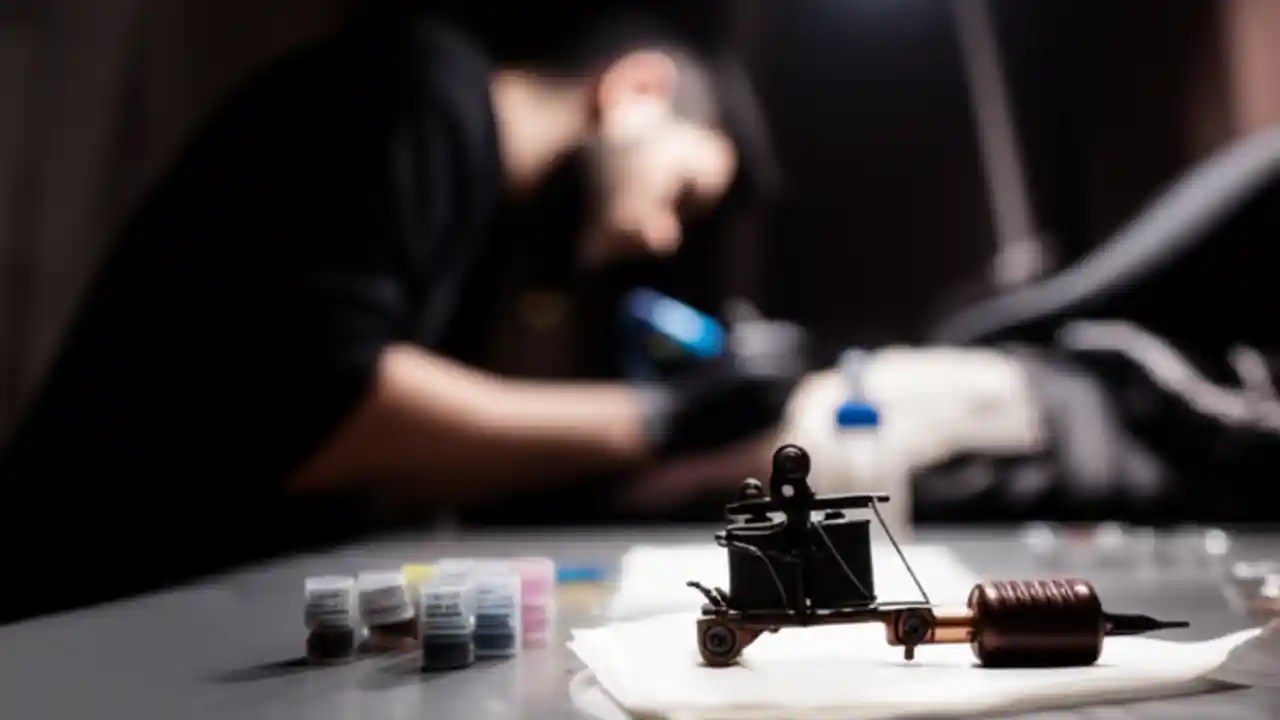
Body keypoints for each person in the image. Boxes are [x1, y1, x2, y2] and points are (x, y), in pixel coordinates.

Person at [0, 7, 790, 622]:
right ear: (636, 90)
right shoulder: (420, 92)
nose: (661, 236)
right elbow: (326, 409)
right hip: (81, 593)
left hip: (178, 609)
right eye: (682, 196)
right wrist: (659, 416)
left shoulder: (485, 225)